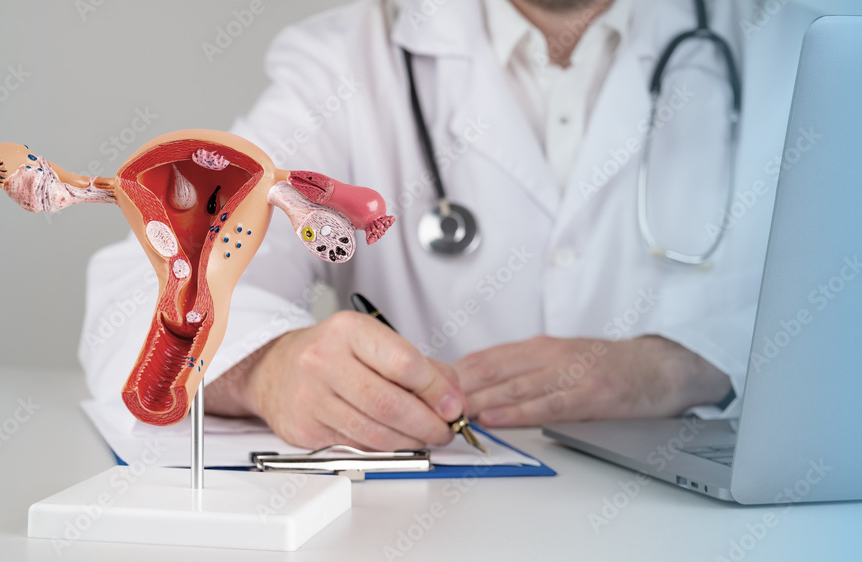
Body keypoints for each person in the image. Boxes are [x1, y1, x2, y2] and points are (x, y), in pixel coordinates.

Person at [79, 0, 816, 451]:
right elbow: (142, 284)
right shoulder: (348, 63)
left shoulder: (798, 41)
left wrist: (692, 364)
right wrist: (269, 368)